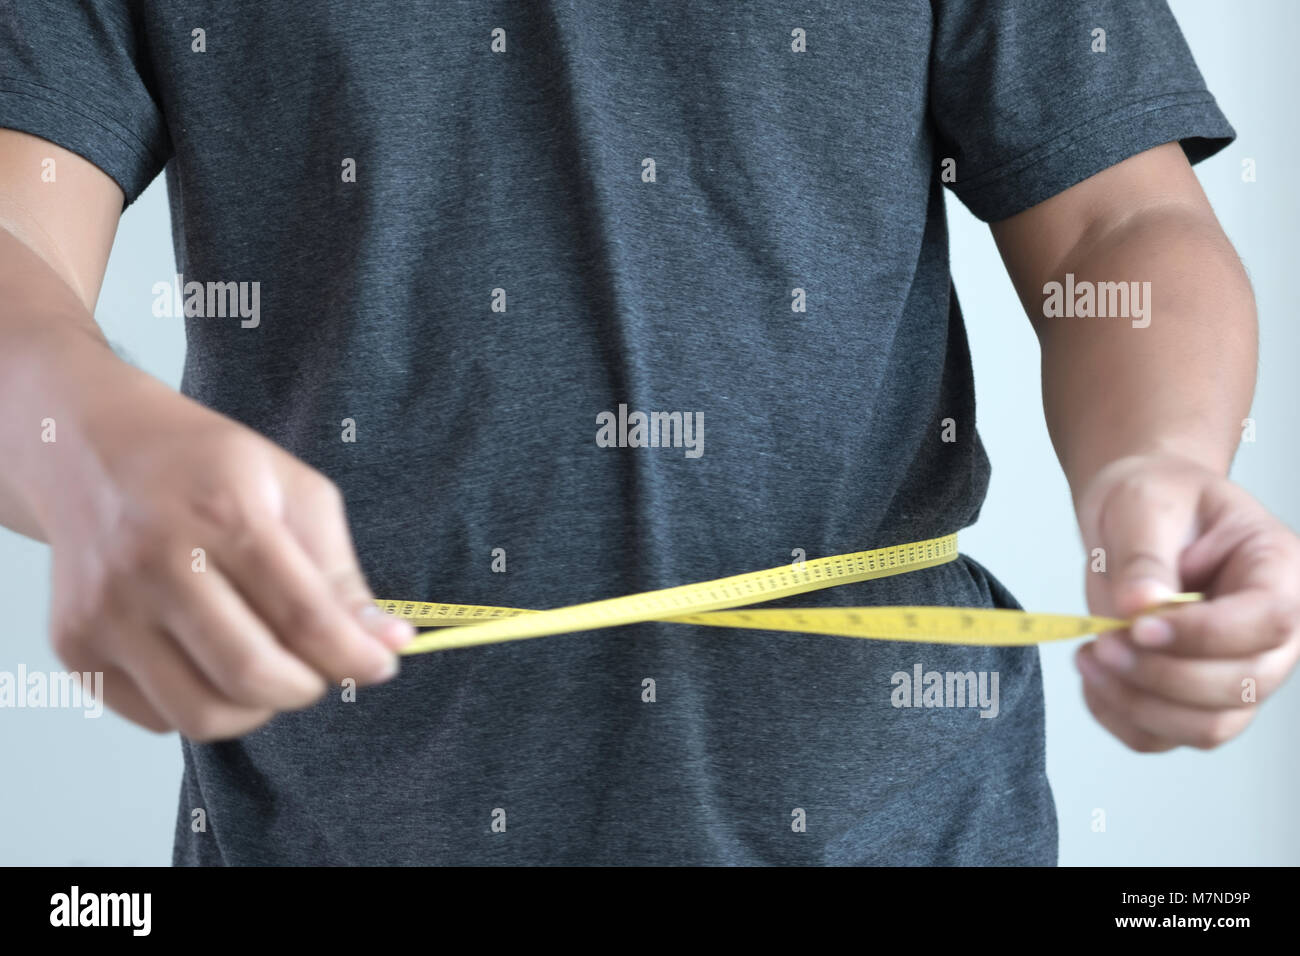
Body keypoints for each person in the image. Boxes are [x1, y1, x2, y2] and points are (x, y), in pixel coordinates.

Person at [1, 1, 1296, 866]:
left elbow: (1116, 225)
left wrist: (1158, 467)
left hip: (899, 824)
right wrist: (92, 449)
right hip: (326, 832)